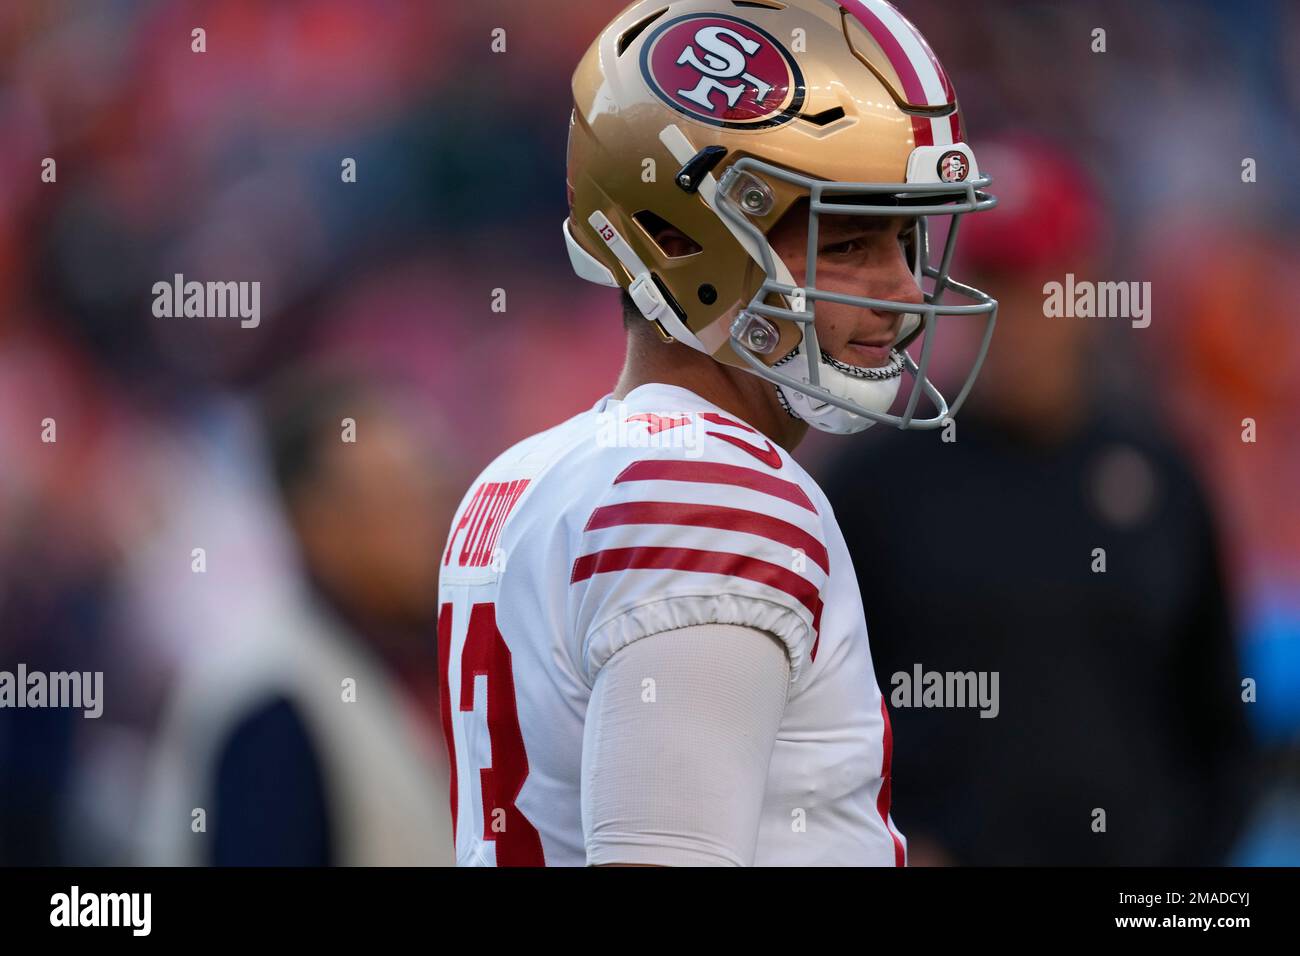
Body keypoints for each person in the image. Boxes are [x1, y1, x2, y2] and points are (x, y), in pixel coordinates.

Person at [437, 0, 998, 866]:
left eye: (907, 236)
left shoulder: (521, 479)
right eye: (846, 242)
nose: (906, 292)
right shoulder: (715, 492)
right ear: (679, 238)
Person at [821, 138, 1254, 865]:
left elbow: (1218, 715)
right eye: (994, 279)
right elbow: (817, 716)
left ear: (1087, 284)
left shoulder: (1160, 474)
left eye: (1036, 280)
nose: (1015, 314)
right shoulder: (877, 483)